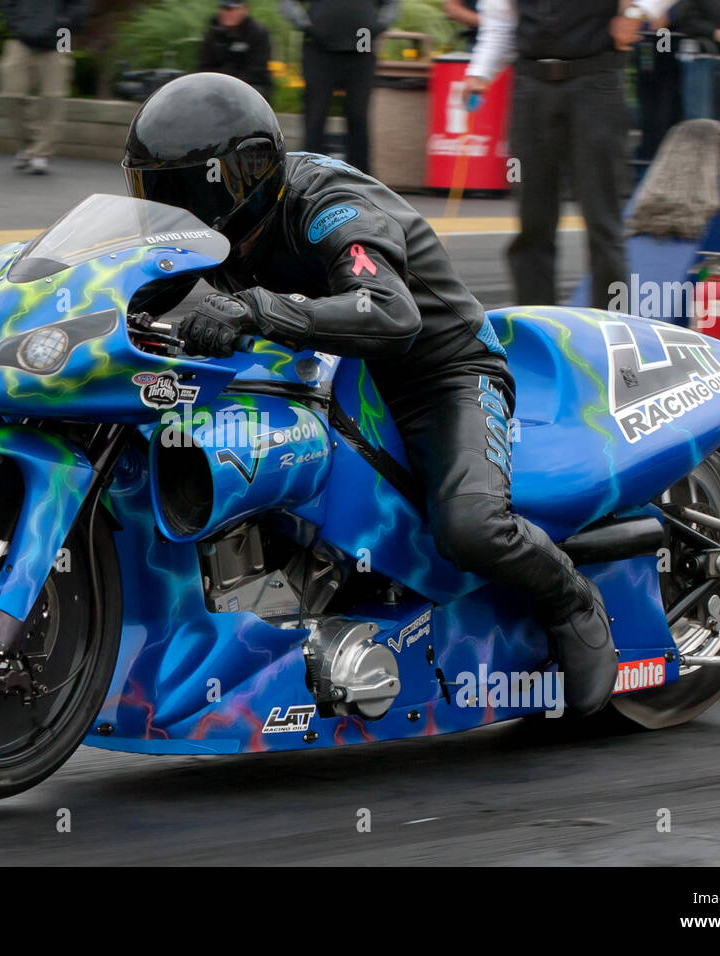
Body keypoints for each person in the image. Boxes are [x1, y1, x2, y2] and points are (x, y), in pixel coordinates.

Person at [121, 73, 619, 716]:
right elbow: (134, 286)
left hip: (436, 374)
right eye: (155, 193)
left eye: (185, 191)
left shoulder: (329, 206)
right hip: (320, 378)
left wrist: (257, 309)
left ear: (242, 177)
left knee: (471, 526)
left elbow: (389, 311)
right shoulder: (207, 232)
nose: (172, 212)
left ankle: (572, 599)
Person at [465, 1, 680, 312]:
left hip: (595, 83)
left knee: (602, 221)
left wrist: (636, 12)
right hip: (530, 85)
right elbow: (499, 24)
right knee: (532, 221)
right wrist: (480, 73)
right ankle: (535, 323)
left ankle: (610, 326)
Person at [278, 0, 401, 174]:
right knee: (315, 115)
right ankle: (310, 174)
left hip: (362, 41)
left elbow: (391, 3)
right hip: (319, 44)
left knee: (357, 114)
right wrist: (306, 26)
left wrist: (379, 26)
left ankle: (361, 177)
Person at [0, 0, 90, 176]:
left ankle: (41, 153)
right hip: (21, 37)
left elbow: (79, 7)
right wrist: (18, 24)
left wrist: (61, 25)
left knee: (53, 96)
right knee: (10, 93)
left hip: (62, 37)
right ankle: (28, 146)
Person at [198, 1, 274, 101]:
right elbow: (204, 67)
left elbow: (257, 71)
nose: (228, 13)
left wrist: (231, 85)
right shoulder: (212, 33)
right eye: (224, 9)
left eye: (232, 9)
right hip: (218, 85)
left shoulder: (258, 32)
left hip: (250, 86)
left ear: (244, 9)